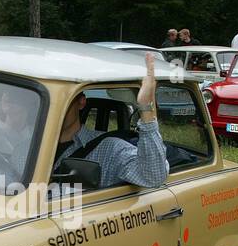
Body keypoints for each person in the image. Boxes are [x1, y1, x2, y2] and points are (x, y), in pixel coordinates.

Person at [54, 52, 168, 188]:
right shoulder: (29, 143)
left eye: (62, 100)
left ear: (81, 102)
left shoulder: (109, 148)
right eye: (50, 101)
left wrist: (146, 109)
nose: (55, 107)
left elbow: (153, 177)